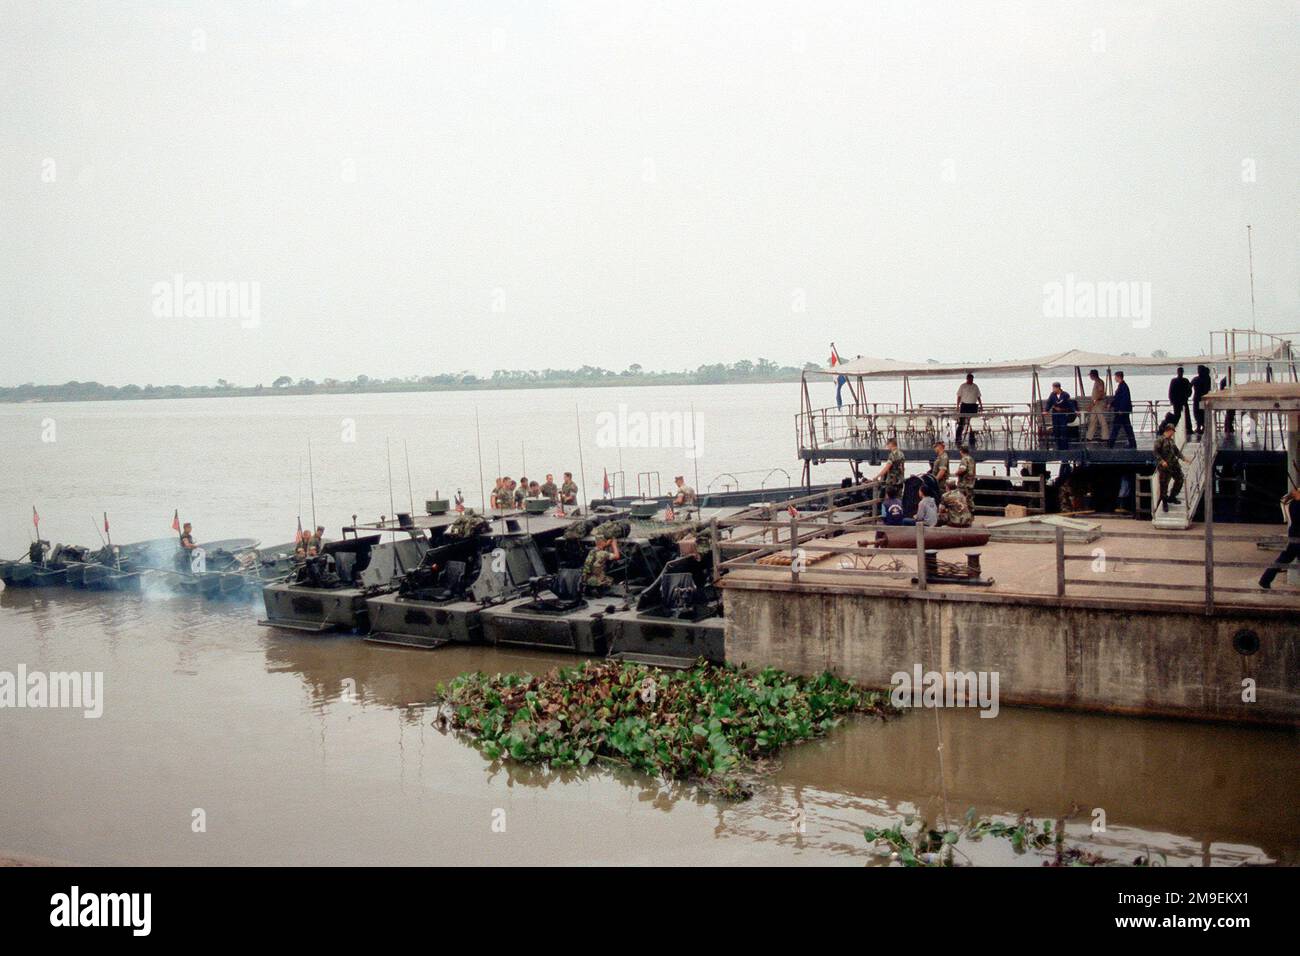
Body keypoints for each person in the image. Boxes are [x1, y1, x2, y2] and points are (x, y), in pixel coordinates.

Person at [1259, 487, 1300, 589]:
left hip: (1295, 535)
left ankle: (1265, 579)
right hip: (1297, 535)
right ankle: (1265, 579)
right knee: (1284, 558)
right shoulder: (1295, 505)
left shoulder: (1295, 504)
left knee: (1284, 558)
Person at [1153, 421, 1190, 512]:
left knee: (1180, 479)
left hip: (1174, 464)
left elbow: (1176, 451)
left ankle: (1172, 496)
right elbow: (1155, 452)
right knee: (1164, 485)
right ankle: (1164, 502)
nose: (1173, 433)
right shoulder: (1160, 440)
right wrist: (1162, 461)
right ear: (1169, 430)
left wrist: (1183, 458)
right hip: (1165, 467)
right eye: (1172, 431)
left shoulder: (1171, 441)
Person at [1107, 371, 1135, 448]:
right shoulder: (1122, 386)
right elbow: (1117, 398)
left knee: (1117, 427)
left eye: (1115, 377)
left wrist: (1121, 409)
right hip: (1122, 411)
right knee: (1127, 428)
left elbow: (1124, 399)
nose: (1114, 378)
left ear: (1119, 377)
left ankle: (1110, 444)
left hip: (1121, 412)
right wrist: (1111, 404)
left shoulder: (1124, 387)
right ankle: (1132, 443)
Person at [954, 373, 983, 446]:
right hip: (964, 405)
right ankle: (958, 439)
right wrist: (957, 406)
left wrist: (981, 405)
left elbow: (978, 396)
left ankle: (972, 440)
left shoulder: (975, 386)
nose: (971, 380)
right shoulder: (963, 386)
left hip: (973, 406)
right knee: (961, 423)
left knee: (973, 423)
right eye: (970, 379)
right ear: (967, 379)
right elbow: (959, 396)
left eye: (972, 379)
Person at [1044, 382, 1074, 450]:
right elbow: (1049, 403)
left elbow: (1070, 404)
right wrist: (1046, 410)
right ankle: (1058, 445)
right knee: (1056, 430)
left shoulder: (1065, 394)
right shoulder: (1052, 395)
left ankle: (1065, 446)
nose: (1053, 389)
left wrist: (1074, 411)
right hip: (1055, 415)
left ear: (1058, 388)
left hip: (1063, 415)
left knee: (1063, 430)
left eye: (1054, 388)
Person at [1085, 369, 1110, 442]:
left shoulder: (1099, 382)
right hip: (1095, 404)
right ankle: (1089, 437)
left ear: (1093, 375)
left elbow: (1101, 392)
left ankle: (1105, 437)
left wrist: (1095, 401)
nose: (1090, 377)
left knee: (1102, 420)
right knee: (1092, 420)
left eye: (1090, 375)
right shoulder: (1096, 382)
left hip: (1099, 403)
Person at [1191, 365, 1212, 436]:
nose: (1198, 371)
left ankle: (1200, 427)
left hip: (1199, 398)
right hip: (1201, 399)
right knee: (1200, 414)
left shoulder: (1198, 379)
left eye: (1199, 370)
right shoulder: (1207, 379)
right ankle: (1200, 427)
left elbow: (1189, 386)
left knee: (1198, 413)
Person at [955, 444, 976, 513]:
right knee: (969, 500)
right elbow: (974, 471)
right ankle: (971, 514)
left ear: (961, 451)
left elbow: (963, 469)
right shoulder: (971, 459)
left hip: (964, 484)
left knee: (962, 500)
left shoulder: (964, 459)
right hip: (970, 483)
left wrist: (957, 473)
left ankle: (964, 516)